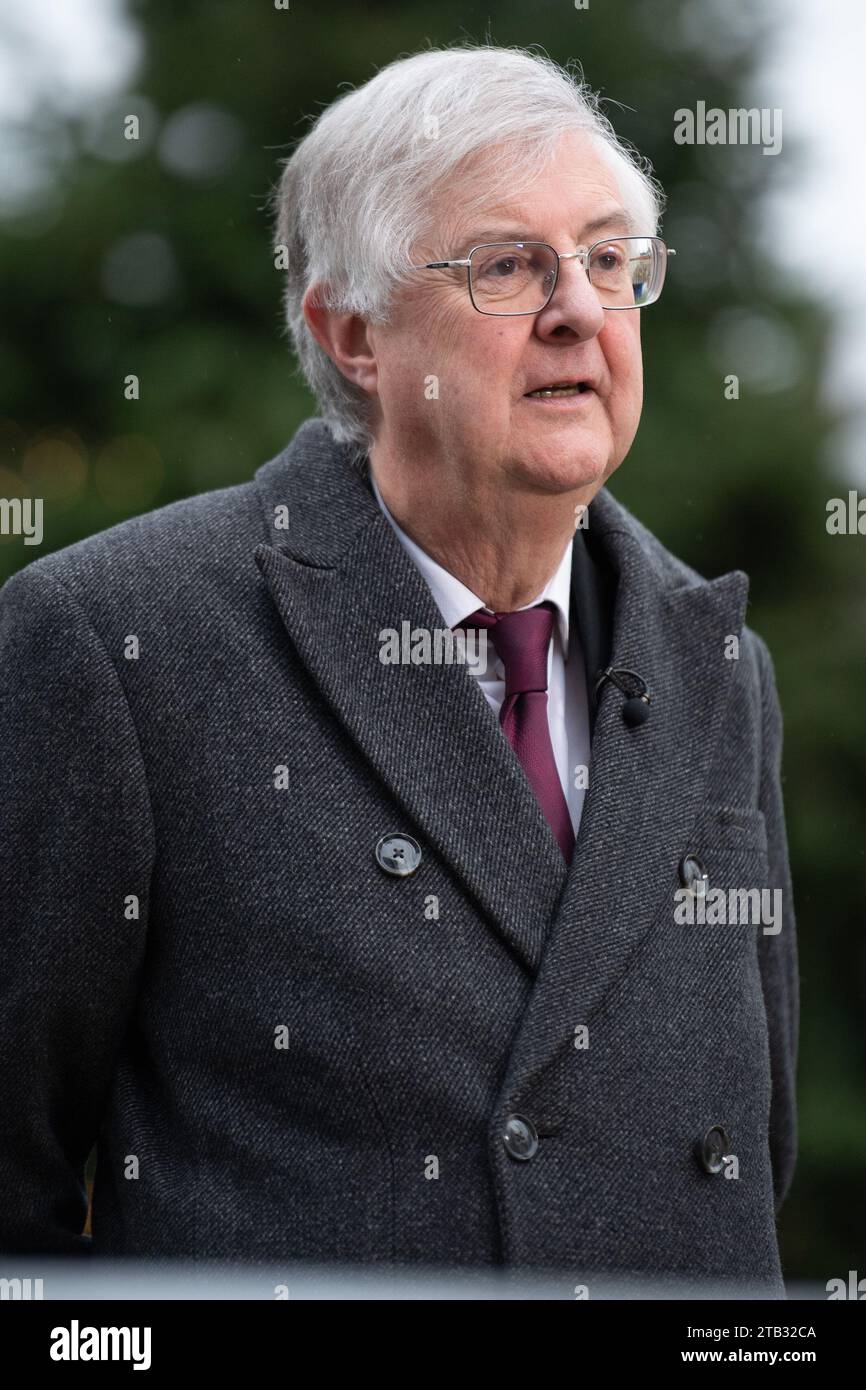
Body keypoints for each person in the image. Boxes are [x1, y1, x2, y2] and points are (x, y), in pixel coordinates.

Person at [0, 44, 797, 1293]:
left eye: (604, 259)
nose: (578, 309)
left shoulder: (717, 663)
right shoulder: (114, 639)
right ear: (352, 333)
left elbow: (750, 1157)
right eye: (506, 265)